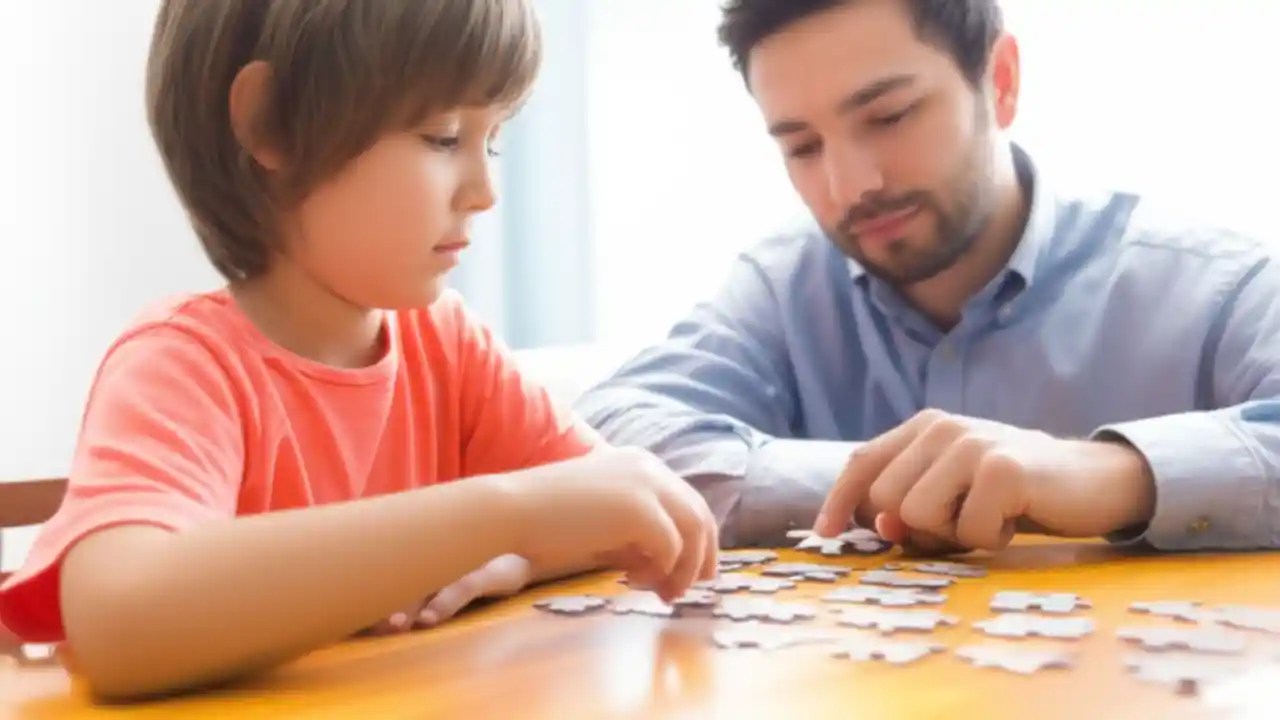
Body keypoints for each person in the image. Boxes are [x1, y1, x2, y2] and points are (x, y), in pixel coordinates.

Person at [0, 0, 718, 700]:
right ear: (272, 124)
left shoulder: (446, 341)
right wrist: (504, 514)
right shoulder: (183, 364)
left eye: (494, 139)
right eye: (443, 137)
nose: (485, 191)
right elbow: (118, 622)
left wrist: (515, 556)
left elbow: (625, 518)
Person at [576, 0, 1280, 555]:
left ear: (1000, 81)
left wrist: (1112, 475)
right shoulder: (783, 289)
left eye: (889, 117)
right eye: (802, 147)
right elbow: (607, 436)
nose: (849, 186)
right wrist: (882, 484)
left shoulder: (1207, 287)